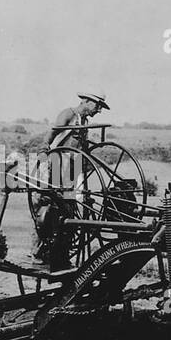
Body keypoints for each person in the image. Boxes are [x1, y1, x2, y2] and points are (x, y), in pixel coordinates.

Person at [33, 92, 110, 268]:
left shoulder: (84, 121)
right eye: (97, 106)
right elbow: (51, 134)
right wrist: (43, 151)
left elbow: (80, 147)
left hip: (71, 169)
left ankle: (61, 256)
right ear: (86, 101)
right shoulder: (68, 114)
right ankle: (38, 253)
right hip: (57, 163)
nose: (99, 110)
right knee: (48, 209)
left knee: (68, 211)